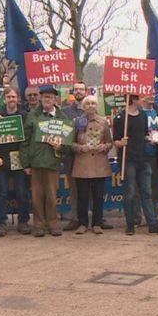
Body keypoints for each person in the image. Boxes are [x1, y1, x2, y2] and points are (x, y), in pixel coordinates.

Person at [113, 95, 158, 236]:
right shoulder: (120, 118)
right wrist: (121, 143)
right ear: (133, 100)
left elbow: (145, 135)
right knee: (130, 193)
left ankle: (153, 224)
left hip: (142, 158)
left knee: (147, 192)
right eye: (140, 98)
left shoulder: (143, 116)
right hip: (128, 160)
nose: (143, 101)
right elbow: (115, 141)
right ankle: (130, 224)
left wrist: (154, 139)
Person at [20, 86, 69, 237]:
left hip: (52, 163)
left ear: (55, 99)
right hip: (35, 163)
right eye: (45, 97)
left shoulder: (62, 118)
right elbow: (25, 141)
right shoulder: (32, 116)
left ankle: (53, 224)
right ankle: (38, 225)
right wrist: (26, 163)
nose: (47, 99)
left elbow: (68, 143)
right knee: (37, 196)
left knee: (52, 196)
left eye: (50, 97)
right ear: (41, 99)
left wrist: (60, 147)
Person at [72, 94, 114, 234]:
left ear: (97, 106)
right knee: (82, 196)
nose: (90, 106)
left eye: (93, 103)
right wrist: (79, 148)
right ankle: (83, 223)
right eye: (88, 103)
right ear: (84, 106)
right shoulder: (77, 122)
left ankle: (97, 223)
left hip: (99, 164)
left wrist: (105, 147)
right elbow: (70, 142)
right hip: (82, 164)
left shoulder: (103, 122)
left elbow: (110, 141)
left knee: (98, 196)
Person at [0, 87, 30, 235]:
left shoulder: (24, 115)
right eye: (8, 97)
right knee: (1, 192)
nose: (11, 99)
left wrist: (26, 161)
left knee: (21, 192)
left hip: (19, 158)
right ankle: (1, 223)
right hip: (2, 159)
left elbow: (27, 138)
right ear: (4, 99)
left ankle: (23, 221)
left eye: (13, 97)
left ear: (18, 98)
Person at [62, 81, 87, 231]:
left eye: (81, 89)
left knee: (89, 188)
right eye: (76, 89)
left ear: (86, 91)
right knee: (74, 189)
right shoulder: (65, 112)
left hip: (88, 156)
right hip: (71, 155)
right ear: (72, 92)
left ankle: (93, 217)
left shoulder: (91, 110)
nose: (79, 92)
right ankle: (75, 218)